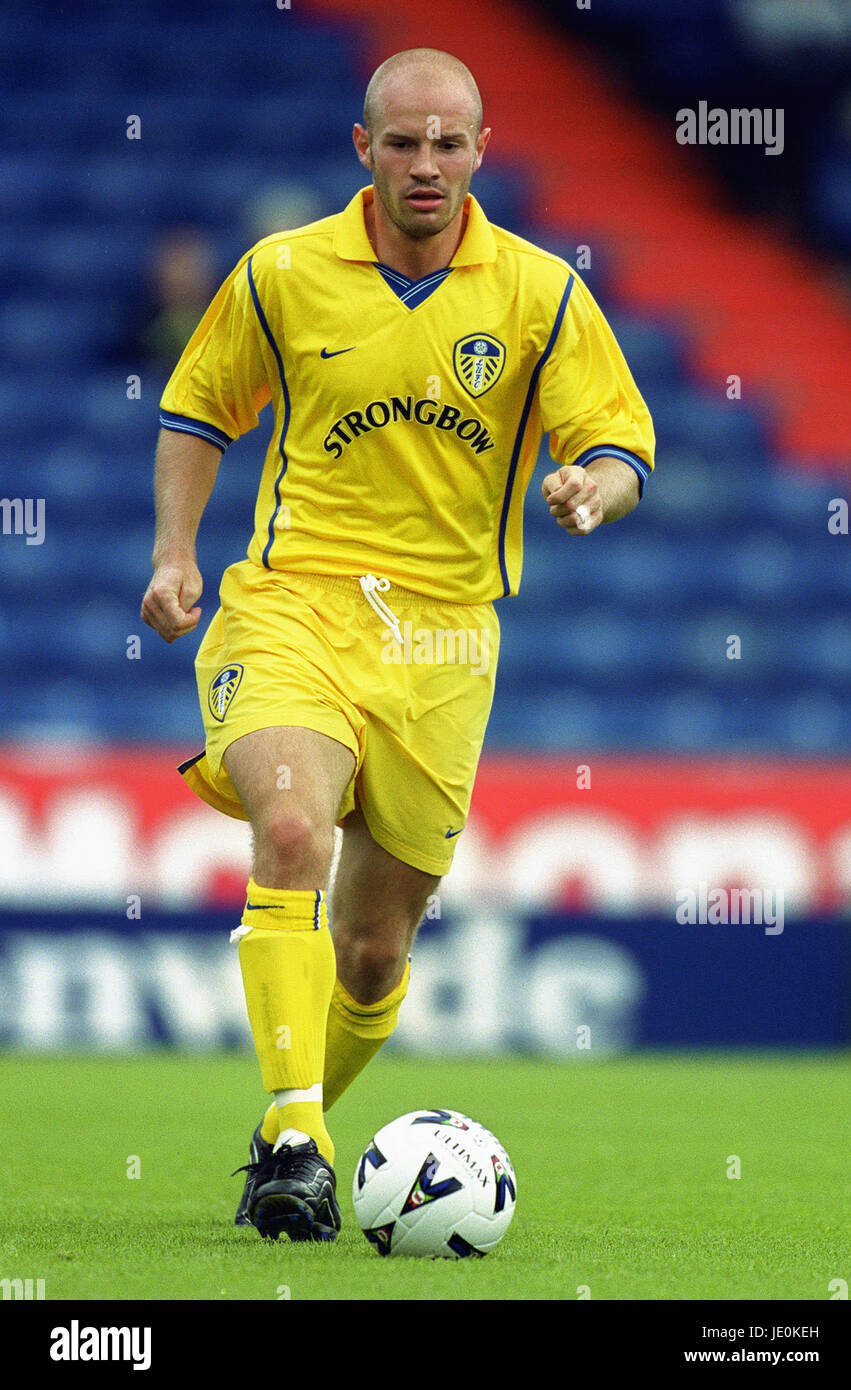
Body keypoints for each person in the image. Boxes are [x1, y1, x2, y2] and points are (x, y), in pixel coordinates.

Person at [140, 47, 655, 1244]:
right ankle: (291, 1134)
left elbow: (620, 444)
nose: (426, 163)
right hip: (295, 601)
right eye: (403, 142)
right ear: (359, 149)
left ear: (481, 150)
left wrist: (594, 487)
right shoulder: (281, 272)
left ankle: (292, 1118)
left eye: (448, 142)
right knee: (286, 828)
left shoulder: (538, 294)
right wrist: (175, 551)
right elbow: (198, 405)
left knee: (370, 955)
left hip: (440, 641)